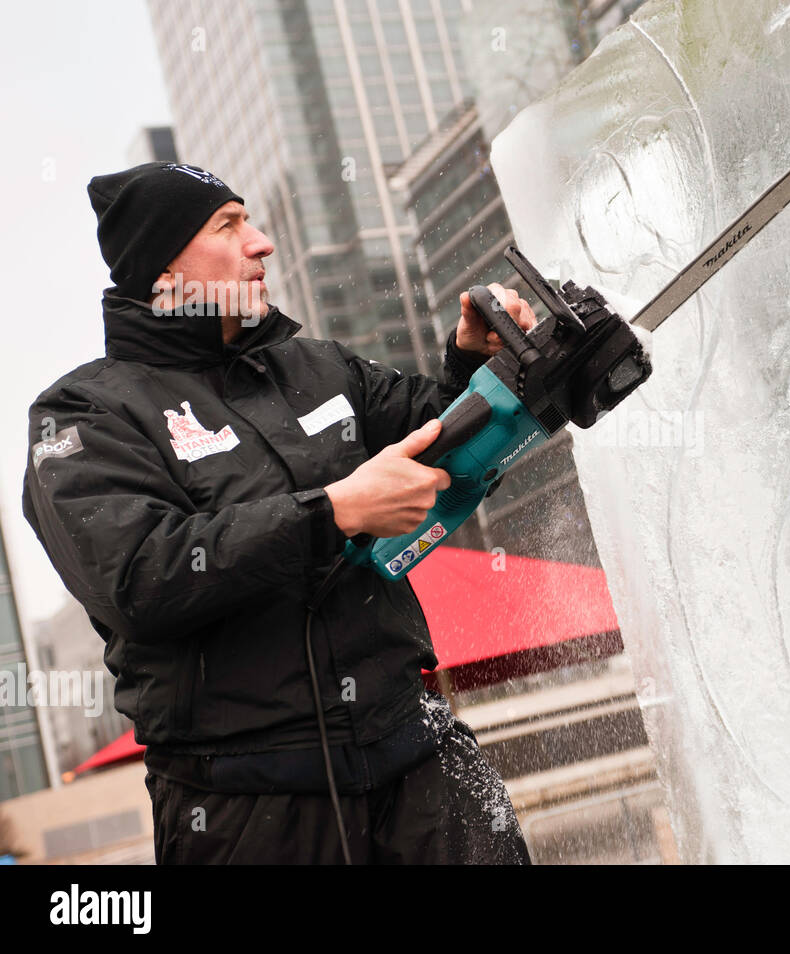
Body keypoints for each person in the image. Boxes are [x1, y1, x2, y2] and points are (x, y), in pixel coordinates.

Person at [22, 160, 537, 864]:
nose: (262, 243)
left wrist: (484, 369)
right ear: (162, 266)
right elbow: (140, 576)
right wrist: (333, 512)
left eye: (252, 221)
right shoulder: (86, 415)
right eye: (229, 227)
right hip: (247, 812)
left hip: (423, 766)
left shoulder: (319, 368)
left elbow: (439, 444)